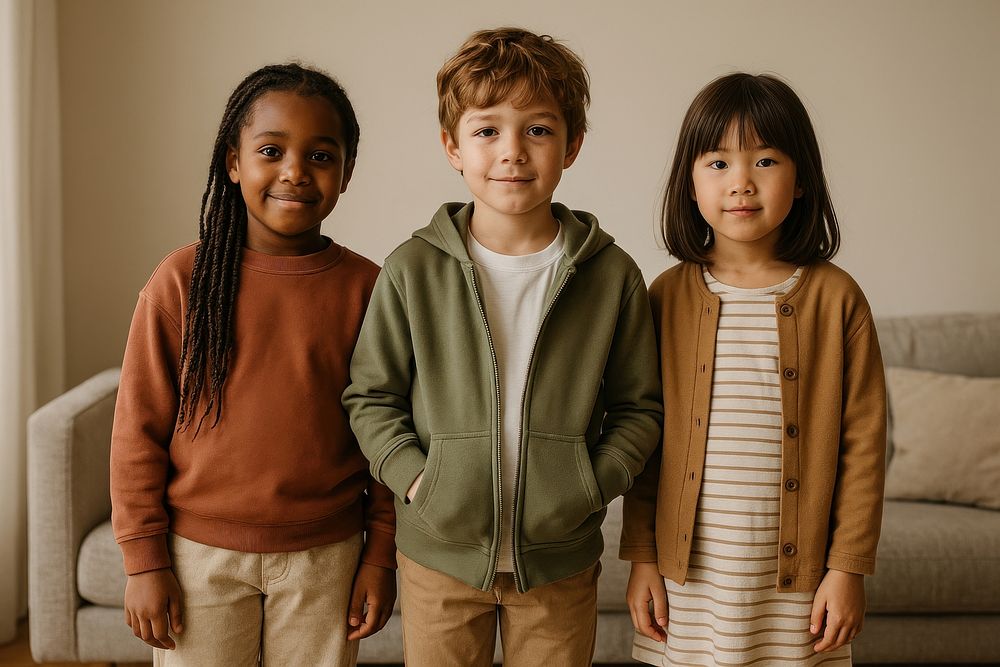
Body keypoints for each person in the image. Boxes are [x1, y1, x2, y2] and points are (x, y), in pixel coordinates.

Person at [343, 27, 662, 666]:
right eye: (487, 130)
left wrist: (591, 486)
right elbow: (371, 398)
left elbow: (640, 409)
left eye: (538, 129)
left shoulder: (610, 275)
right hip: (438, 552)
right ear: (452, 148)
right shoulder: (412, 270)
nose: (512, 151)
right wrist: (418, 481)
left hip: (560, 560)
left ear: (572, 145)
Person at [110, 63, 395, 666]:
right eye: (271, 150)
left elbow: (392, 432)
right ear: (234, 163)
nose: (295, 171)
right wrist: (144, 560)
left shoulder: (369, 289)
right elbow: (138, 431)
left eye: (321, 155)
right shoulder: (182, 282)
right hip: (198, 559)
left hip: (328, 555)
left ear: (346, 173)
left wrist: (380, 555)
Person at [621, 72, 887, 666]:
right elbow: (645, 438)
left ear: (801, 181)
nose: (741, 182)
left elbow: (864, 446)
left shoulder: (837, 298)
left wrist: (847, 569)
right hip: (688, 574)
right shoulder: (664, 297)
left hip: (796, 575)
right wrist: (642, 558)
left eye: (765, 160)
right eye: (717, 163)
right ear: (689, 184)